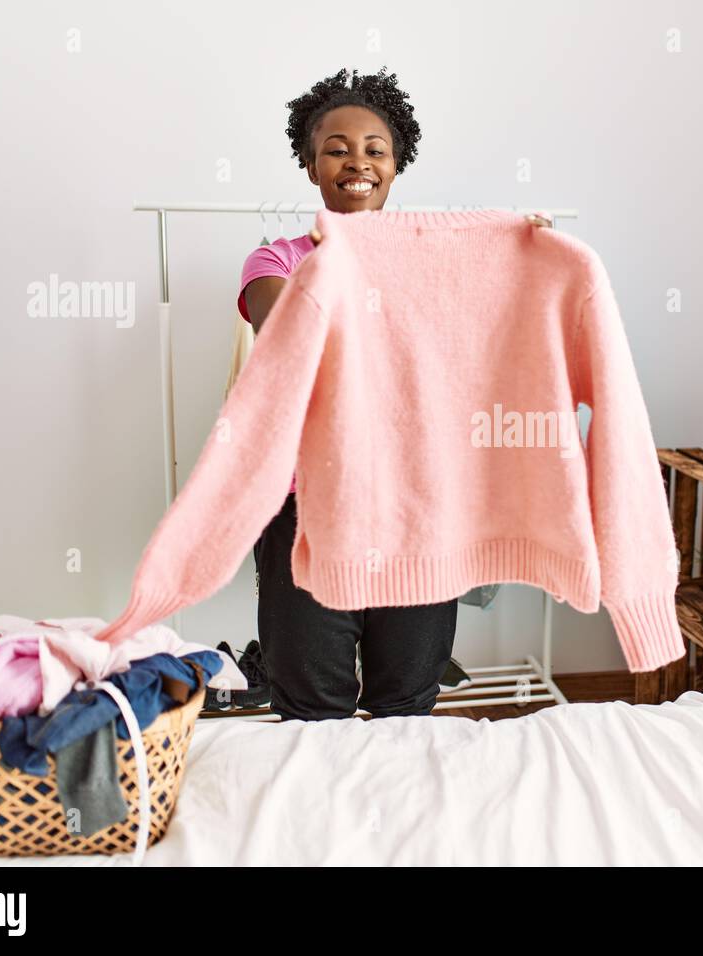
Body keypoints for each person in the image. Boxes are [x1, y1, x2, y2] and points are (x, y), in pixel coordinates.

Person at [237, 67, 459, 721]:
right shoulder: (273, 262)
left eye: (374, 149)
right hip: (305, 510)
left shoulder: (435, 263)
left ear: (396, 166)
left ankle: (404, 823)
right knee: (310, 700)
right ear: (310, 164)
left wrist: (518, 254)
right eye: (335, 148)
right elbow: (298, 334)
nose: (355, 161)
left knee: (409, 698)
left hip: (413, 506)